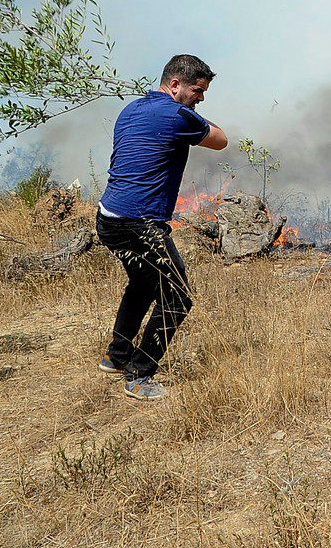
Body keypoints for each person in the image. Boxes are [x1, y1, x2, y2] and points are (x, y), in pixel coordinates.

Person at [95, 54, 228, 401]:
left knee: (141, 283)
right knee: (178, 297)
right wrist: (190, 113)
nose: (201, 98)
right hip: (138, 224)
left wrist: (189, 110)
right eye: (197, 91)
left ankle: (116, 356)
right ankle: (139, 375)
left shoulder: (131, 109)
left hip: (108, 218)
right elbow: (220, 139)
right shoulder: (176, 115)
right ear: (174, 84)